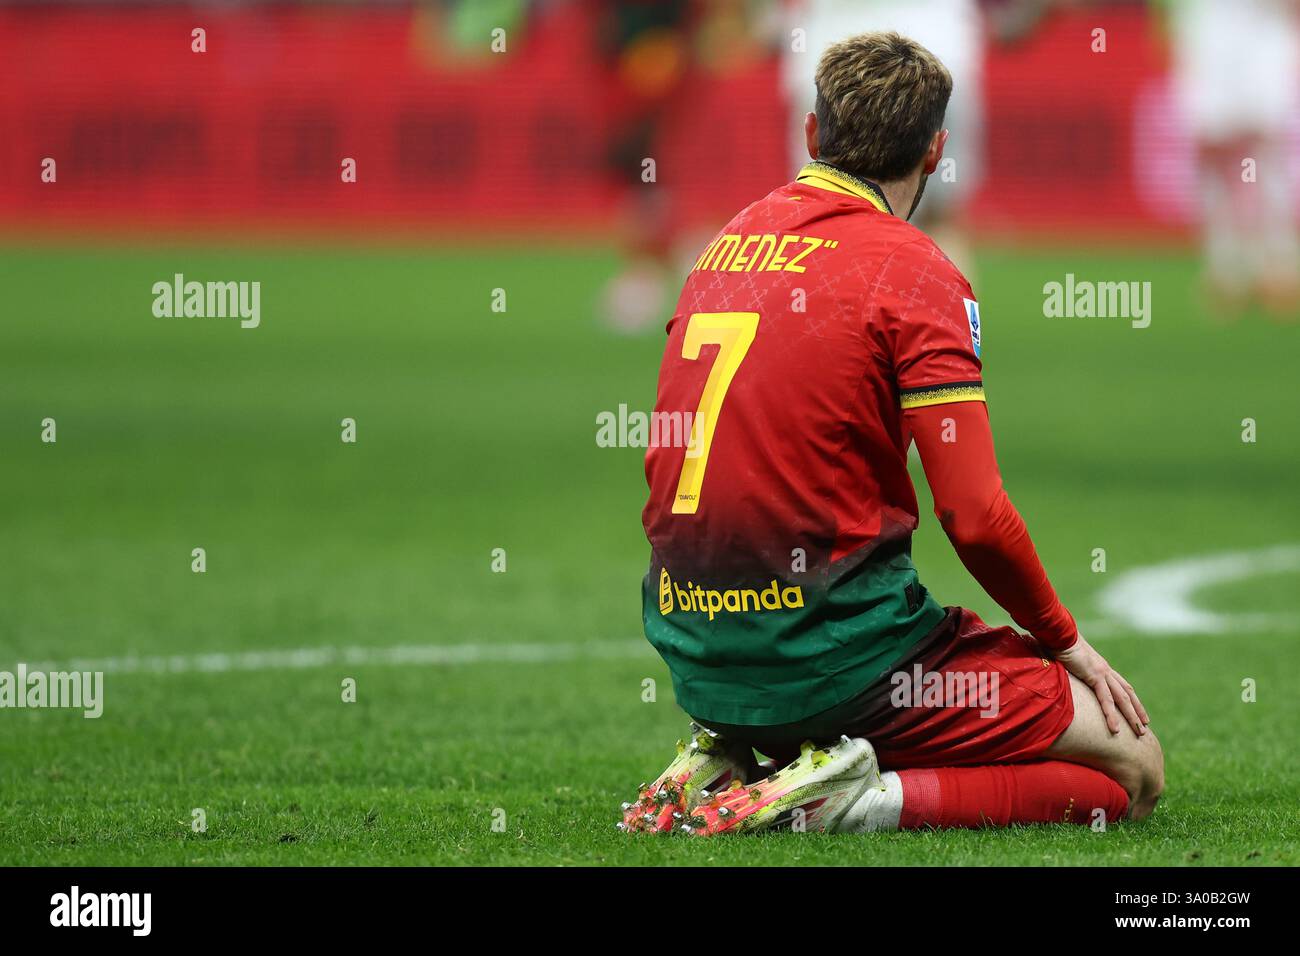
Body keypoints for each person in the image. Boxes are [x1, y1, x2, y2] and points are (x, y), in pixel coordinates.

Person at [621, 32, 1163, 836]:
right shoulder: (914, 269)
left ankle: (745, 749)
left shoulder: (720, 247)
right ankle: (854, 799)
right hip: (834, 654)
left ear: (812, 134)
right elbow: (974, 515)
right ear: (938, 151)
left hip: (697, 649)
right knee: (1133, 769)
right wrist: (1066, 641)